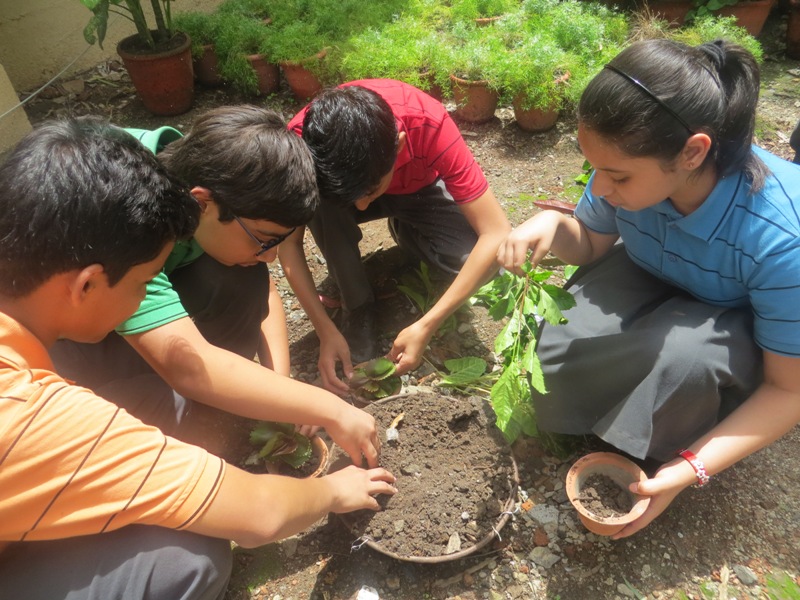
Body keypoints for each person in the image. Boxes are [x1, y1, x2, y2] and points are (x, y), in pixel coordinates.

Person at [0, 117, 396, 599]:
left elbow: (258, 285)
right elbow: (258, 513)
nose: (147, 293)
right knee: (192, 559)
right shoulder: (39, 419)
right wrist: (333, 492)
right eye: (146, 283)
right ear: (85, 285)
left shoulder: (119, 186)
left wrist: (286, 391)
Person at [497, 39, 800, 538]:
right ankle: (620, 418)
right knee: (554, 346)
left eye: (616, 176)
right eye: (594, 167)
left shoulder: (779, 239)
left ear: (692, 152)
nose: (600, 186)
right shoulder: (626, 172)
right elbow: (593, 241)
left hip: (735, 308)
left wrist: (686, 472)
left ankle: (661, 439)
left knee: (685, 360)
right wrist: (550, 228)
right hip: (649, 268)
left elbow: (787, 389)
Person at [48, 106, 383, 466]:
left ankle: (208, 398)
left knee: (244, 273)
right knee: (145, 412)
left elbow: (265, 289)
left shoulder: (196, 179)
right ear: (202, 201)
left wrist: (280, 386)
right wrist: (328, 408)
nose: (270, 256)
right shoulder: (128, 214)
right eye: (265, 239)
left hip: (109, 305)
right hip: (59, 343)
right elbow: (186, 369)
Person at [283, 79, 511, 393]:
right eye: (356, 197)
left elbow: (497, 231)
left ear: (400, 145)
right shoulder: (299, 141)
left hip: (417, 190)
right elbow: (289, 244)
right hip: (334, 202)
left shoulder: (428, 123)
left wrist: (427, 325)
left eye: (369, 192)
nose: (363, 206)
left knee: (474, 258)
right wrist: (324, 329)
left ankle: (407, 230)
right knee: (321, 206)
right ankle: (357, 305)